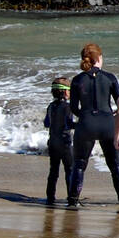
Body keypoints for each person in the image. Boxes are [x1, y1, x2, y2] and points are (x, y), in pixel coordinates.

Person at [67, 43, 119, 207]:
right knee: (115, 164)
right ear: (99, 58)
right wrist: (113, 114)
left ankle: (72, 201)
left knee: (79, 164)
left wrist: (86, 117)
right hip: (107, 123)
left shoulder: (77, 80)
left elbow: (73, 108)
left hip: (86, 123)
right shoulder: (109, 77)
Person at [43, 76, 75, 205]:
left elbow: (46, 123)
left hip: (53, 142)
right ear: (66, 92)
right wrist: (81, 124)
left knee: (53, 171)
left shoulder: (51, 106)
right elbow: (68, 125)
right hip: (65, 142)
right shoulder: (68, 107)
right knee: (69, 170)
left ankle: (50, 197)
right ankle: (71, 198)